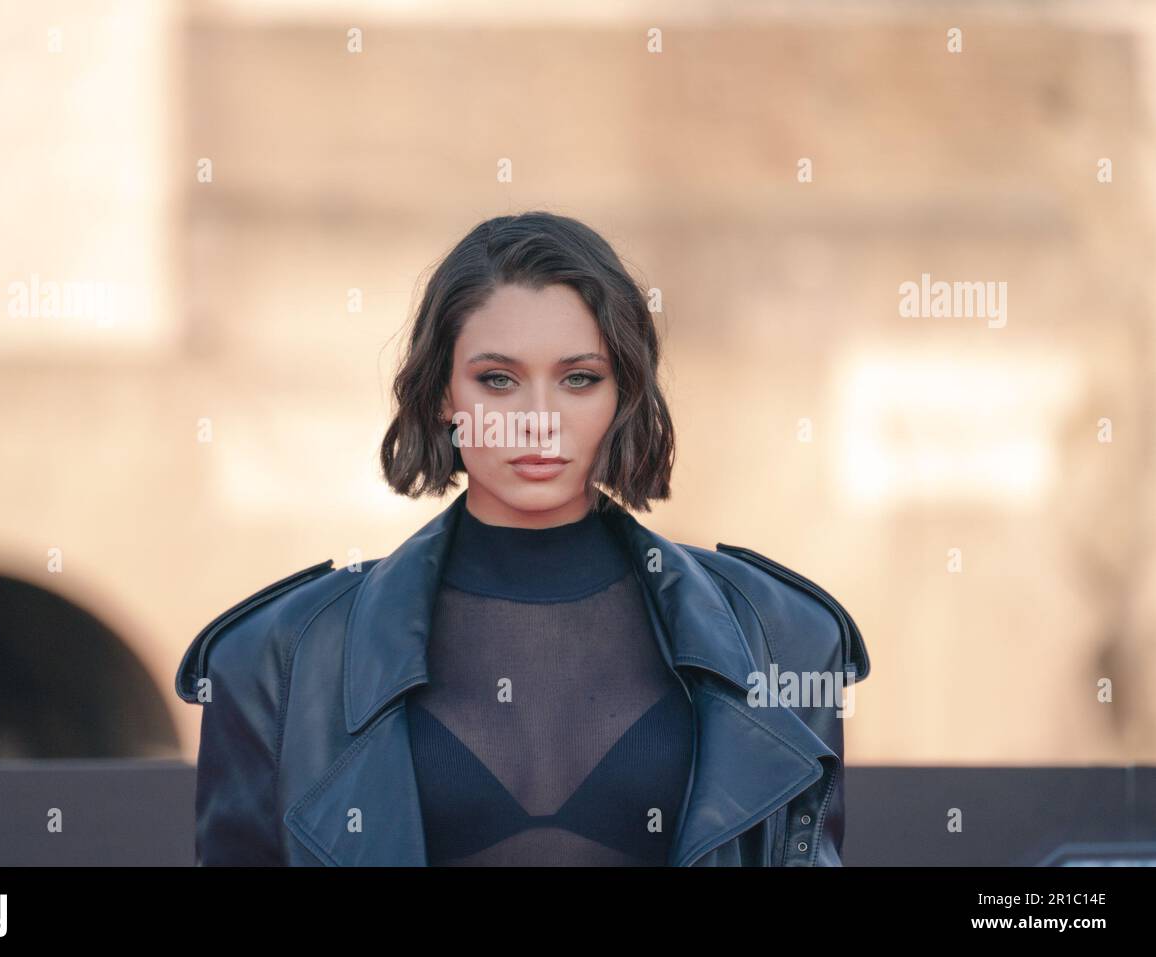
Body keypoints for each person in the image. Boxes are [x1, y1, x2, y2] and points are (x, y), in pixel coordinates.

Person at [175, 211, 870, 866]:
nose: (538, 420)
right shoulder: (279, 660)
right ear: (444, 395)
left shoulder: (782, 640)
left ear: (624, 392)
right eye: (498, 380)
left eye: (578, 379)